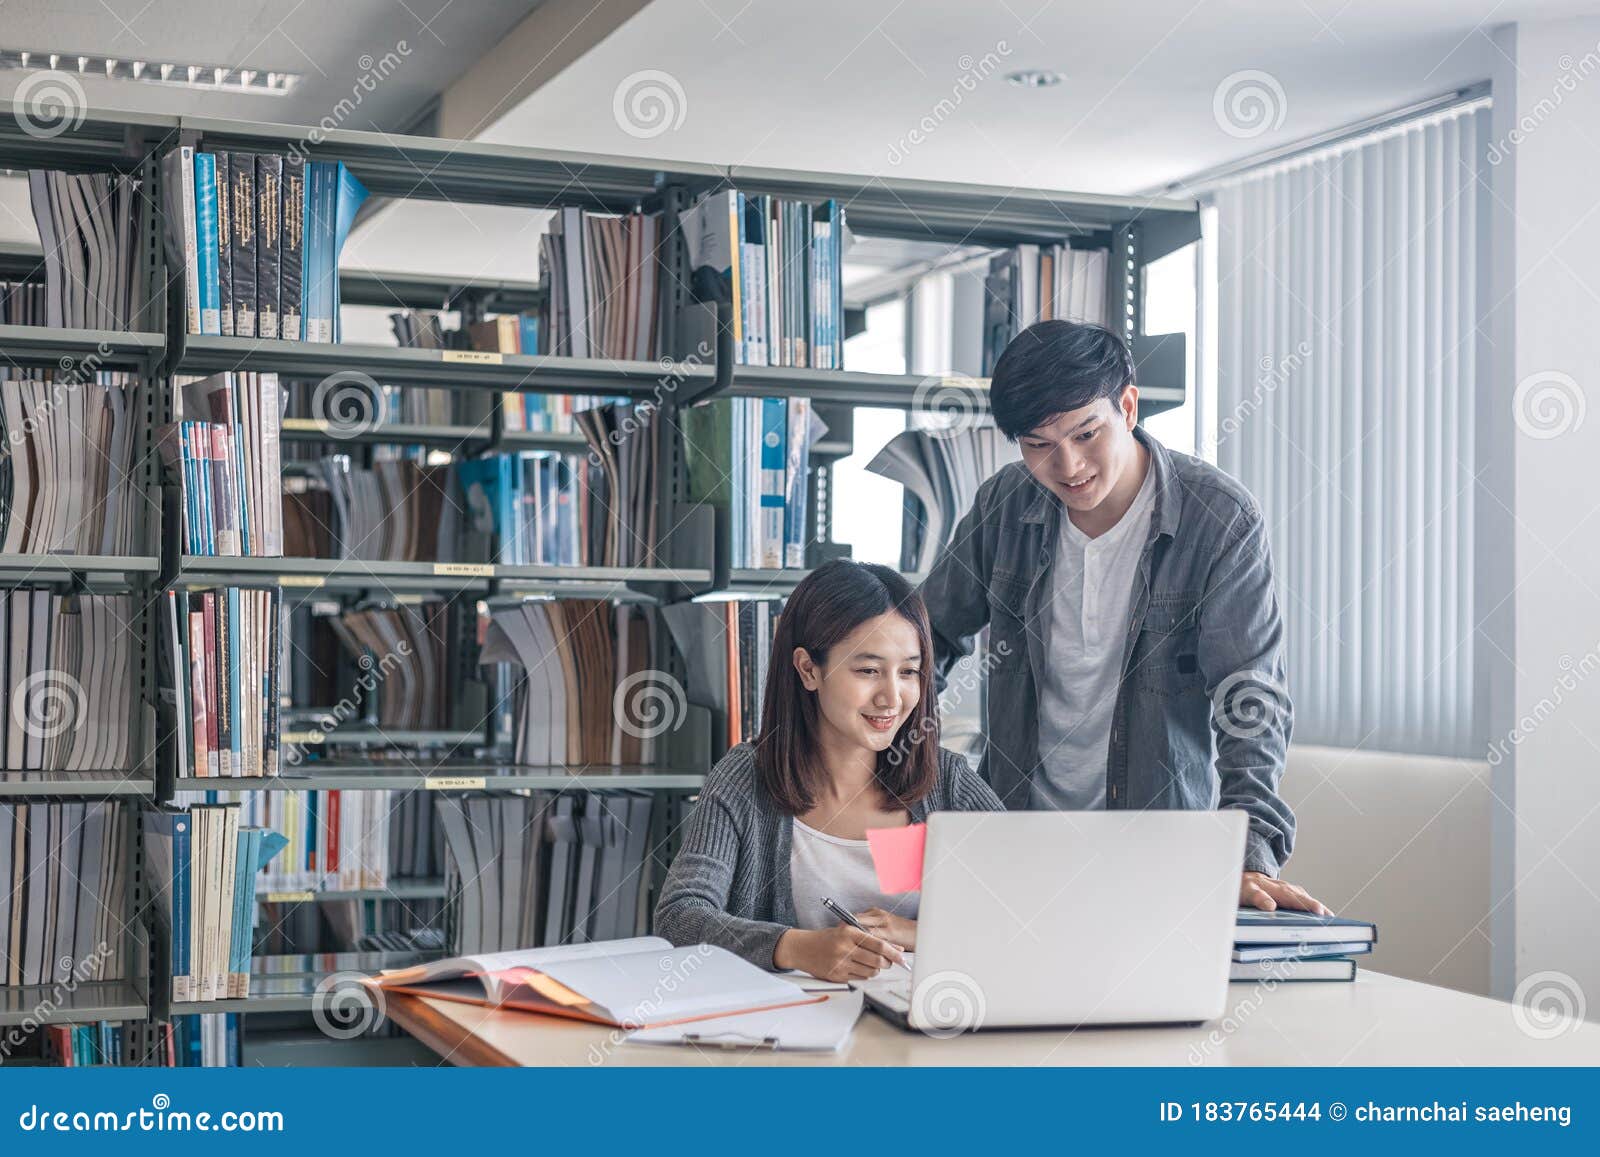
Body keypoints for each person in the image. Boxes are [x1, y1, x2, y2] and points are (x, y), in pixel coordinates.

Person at [919, 320, 1328, 915]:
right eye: (1039, 445)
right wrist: (904, 777)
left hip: (1158, 853)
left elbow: (1250, 701)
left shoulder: (1217, 520)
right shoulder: (1005, 505)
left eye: (1087, 434)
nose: (1069, 466)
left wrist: (1247, 853)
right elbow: (921, 646)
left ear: (1128, 406)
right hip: (1015, 841)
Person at [655, 559, 1003, 981]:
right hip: (790, 1030)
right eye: (869, 671)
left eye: (909, 672)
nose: (891, 697)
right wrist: (797, 948)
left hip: (922, 1024)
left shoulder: (947, 783)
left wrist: (917, 932)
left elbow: (1032, 908)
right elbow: (679, 918)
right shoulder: (746, 779)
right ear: (808, 669)